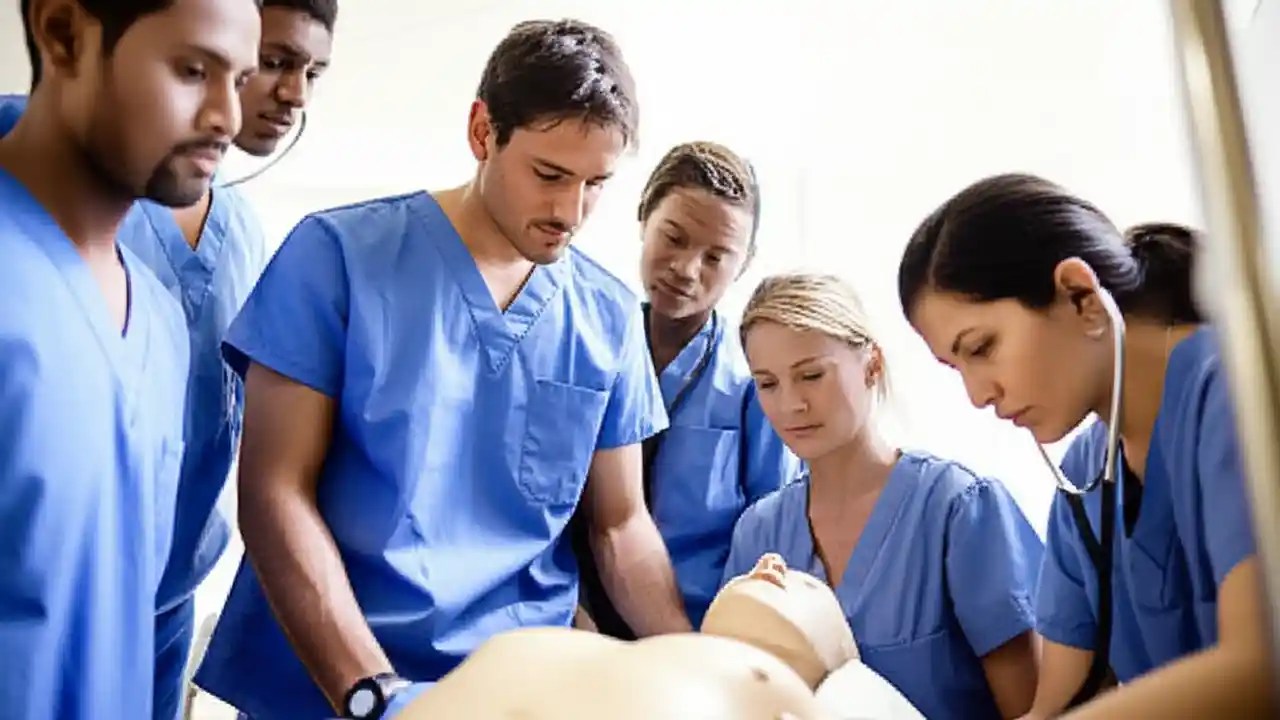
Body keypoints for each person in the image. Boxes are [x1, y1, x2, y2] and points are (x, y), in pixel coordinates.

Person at [193, 18, 689, 720]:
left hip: (518, 692)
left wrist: (694, 665)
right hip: (335, 684)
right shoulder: (336, 259)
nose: (570, 211)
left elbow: (619, 527)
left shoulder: (605, 317)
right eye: (549, 175)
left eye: (596, 184)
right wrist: (374, 694)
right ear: (483, 131)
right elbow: (276, 494)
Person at [2, 5, 333, 718]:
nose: (227, 112)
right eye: (192, 70)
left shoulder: (152, 309)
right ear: (62, 34)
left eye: (243, 74)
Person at [898, 173, 1274, 719]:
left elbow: (1261, 668)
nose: (979, 395)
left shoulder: (1239, 399)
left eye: (982, 348)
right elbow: (1057, 705)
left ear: (1080, 296)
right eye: (956, 368)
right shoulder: (1086, 481)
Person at [723, 272, 1044, 720]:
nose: (790, 404)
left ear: (871, 365)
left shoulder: (957, 509)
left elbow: (1035, 709)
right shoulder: (759, 534)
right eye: (767, 384)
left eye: (811, 375)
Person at [573, 141, 801, 636]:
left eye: (716, 256)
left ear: (744, 263)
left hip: (703, 637)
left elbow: (777, 542)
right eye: (673, 238)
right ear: (643, 217)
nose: (686, 268)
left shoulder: (755, 383)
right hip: (577, 624)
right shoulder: (587, 350)